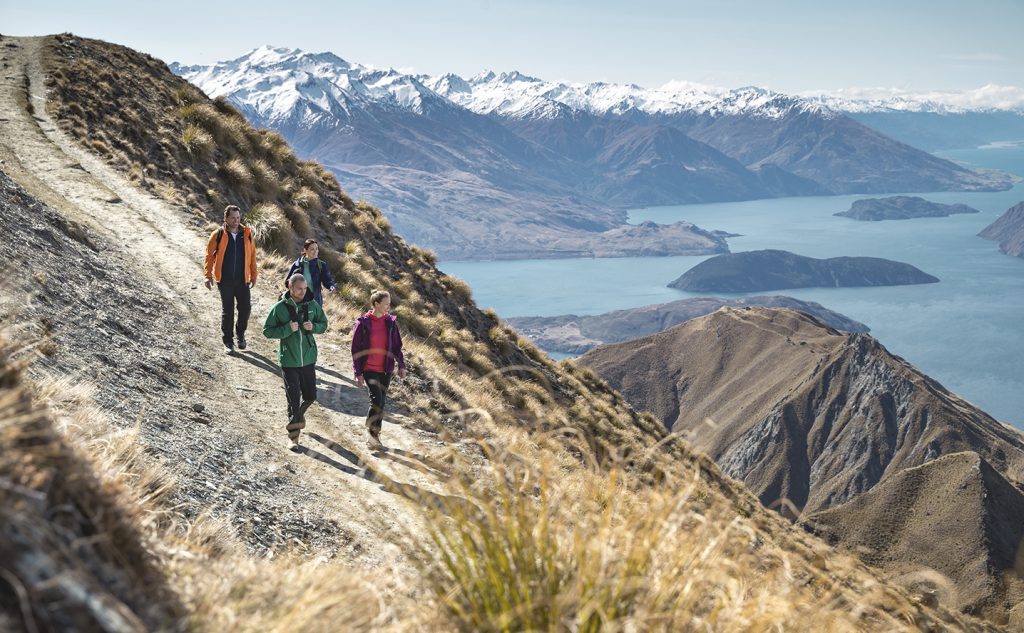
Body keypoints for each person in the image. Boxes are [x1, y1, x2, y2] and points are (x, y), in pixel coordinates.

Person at [263, 274, 328, 450]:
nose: (303, 291)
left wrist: (313, 327)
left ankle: (298, 417)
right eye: (299, 288)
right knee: (293, 399)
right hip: (289, 361)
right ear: (290, 288)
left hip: (308, 359)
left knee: (311, 396)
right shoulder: (280, 308)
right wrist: (286, 329)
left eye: (305, 288)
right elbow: (267, 331)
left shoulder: (312, 305)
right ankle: (293, 438)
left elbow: (324, 323)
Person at [351, 290, 406, 451]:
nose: (389, 307)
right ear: (376, 304)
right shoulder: (363, 323)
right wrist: (357, 372)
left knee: (380, 402)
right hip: (369, 368)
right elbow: (355, 349)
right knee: (377, 400)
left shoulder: (390, 322)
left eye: (389, 304)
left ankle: (375, 434)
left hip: (386, 368)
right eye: (386, 304)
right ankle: (371, 435)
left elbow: (397, 346)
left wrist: (401, 365)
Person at [204, 205, 257, 354]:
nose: (236, 220)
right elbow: (209, 256)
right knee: (228, 311)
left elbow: (252, 256)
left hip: (242, 280)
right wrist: (207, 276)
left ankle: (240, 334)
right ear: (226, 218)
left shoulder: (247, 234)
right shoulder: (218, 234)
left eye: (238, 218)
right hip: (224, 280)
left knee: (245, 308)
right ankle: (228, 341)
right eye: (233, 218)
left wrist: (253, 275)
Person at [283, 239, 337, 306]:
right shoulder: (297, 264)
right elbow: (287, 283)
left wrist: (331, 286)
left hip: (315, 302)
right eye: (312, 249)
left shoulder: (321, 265)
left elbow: (327, 280)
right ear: (305, 250)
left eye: (316, 249)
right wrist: (294, 279)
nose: (315, 251)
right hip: (298, 302)